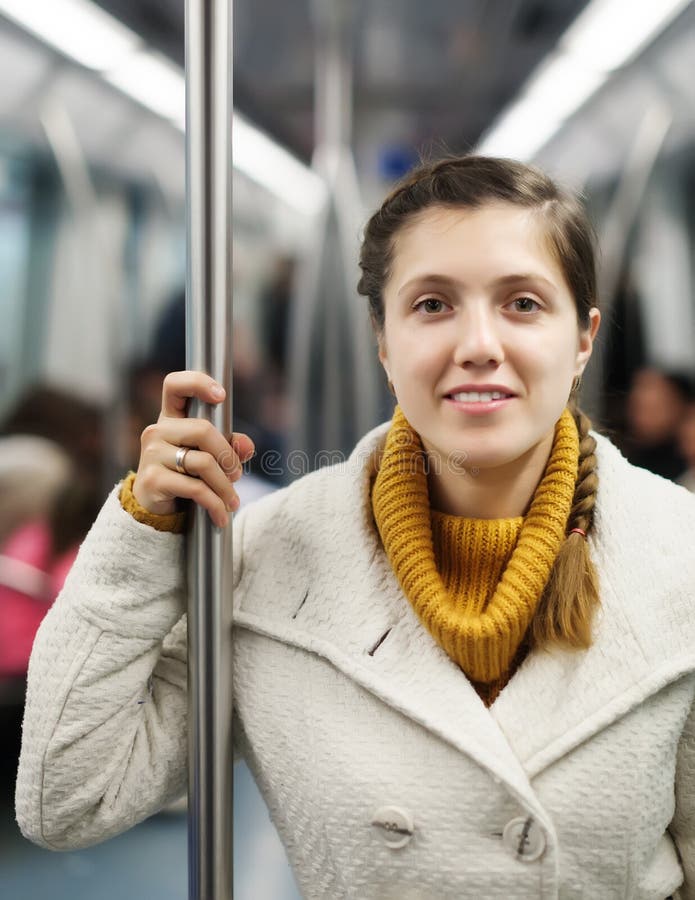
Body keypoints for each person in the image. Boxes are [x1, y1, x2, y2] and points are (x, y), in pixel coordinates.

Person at [15, 156, 695, 900]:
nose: (477, 344)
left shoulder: (676, 554)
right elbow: (69, 798)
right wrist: (141, 536)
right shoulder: (261, 557)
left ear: (583, 339)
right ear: (382, 340)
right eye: (432, 304)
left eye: (522, 304)